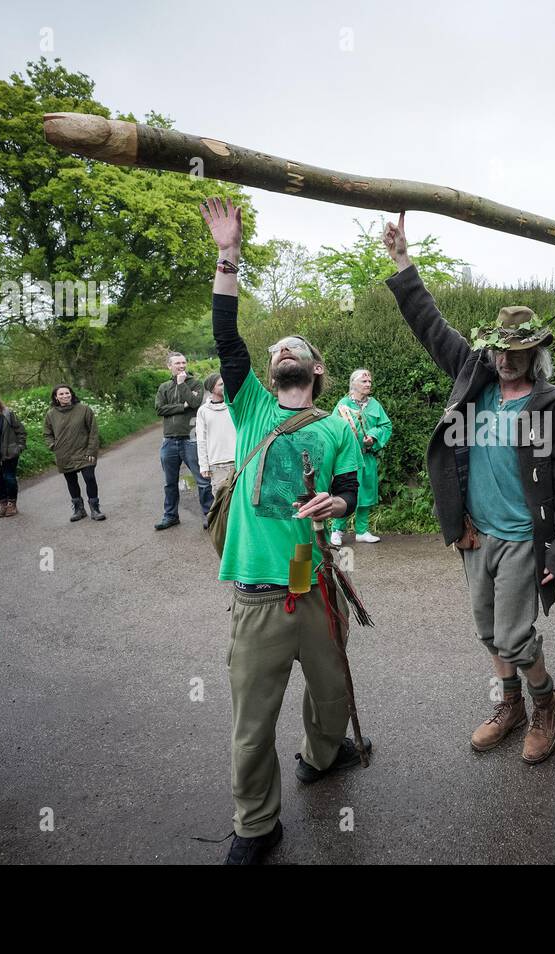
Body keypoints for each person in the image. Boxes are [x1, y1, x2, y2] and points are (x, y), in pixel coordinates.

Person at [203, 196, 367, 865]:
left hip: (317, 585)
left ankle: (323, 756)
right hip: (257, 595)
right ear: (271, 376)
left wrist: (338, 504)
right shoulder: (248, 408)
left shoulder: (337, 428)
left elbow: (351, 492)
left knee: (333, 696)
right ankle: (257, 824)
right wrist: (228, 257)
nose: (287, 356)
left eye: (299, 352)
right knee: (250, 729)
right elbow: (225, 335)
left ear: (317, 371)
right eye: (279, 354)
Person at [384, 213, 555, 762]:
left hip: (523, 537)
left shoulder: (549, 405)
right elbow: (430, 324)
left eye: (514, 352)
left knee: (516, 636)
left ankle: (546, 706)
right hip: (477, 534)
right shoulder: (475, 379)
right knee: (488, 632)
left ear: (534, 355)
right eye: (498, 349)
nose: (503, 358)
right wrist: (404, 261)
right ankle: (510, 704)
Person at [331, 369, 393, 546]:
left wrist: (373, 436)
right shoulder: (342, 404)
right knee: (345, 493)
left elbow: (386, 426)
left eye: (369, 382)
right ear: (353, 384)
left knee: (366, 494)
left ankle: (362, 531)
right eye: (364, 382)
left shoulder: (374, 405)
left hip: (367, 457)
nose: (368, 384)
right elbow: (333, 428)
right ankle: (337, 530)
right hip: (348, 460)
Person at [155, 353, 212, 531]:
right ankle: (170, 516)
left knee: (202, 480)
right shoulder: (164, 387)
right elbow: (159, 409)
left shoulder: (195, 384)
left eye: (183, 362)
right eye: (177, 363)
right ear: (169, 366)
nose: (181, 365)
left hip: (190, 439)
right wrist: (182, 407)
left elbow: (195, 403)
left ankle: (209, 515)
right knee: (169, 482)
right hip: (169, 440)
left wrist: (182, 385)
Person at [44, 386, 105, 523]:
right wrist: (53, 446)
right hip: (64, 454)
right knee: (71, 481)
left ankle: (95, 509)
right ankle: (79, 510)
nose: (65, 395)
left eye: (67, 393)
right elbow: (47, 434)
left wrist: (91, 451)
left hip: (84, 451)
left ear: (71, 394)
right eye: (61, 394)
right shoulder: (51, 414)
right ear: (55, 397)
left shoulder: (84, 410)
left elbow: (93, 432)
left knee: (89, 478)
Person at [195, 372, 238, 495]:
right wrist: (204, 465)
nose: (225, 386)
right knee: (222, 503)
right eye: (221, 384)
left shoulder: (234, 406)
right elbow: (201, 440)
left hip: (238, 460)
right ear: (212, 388)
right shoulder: (203, 411)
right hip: (217, 464)